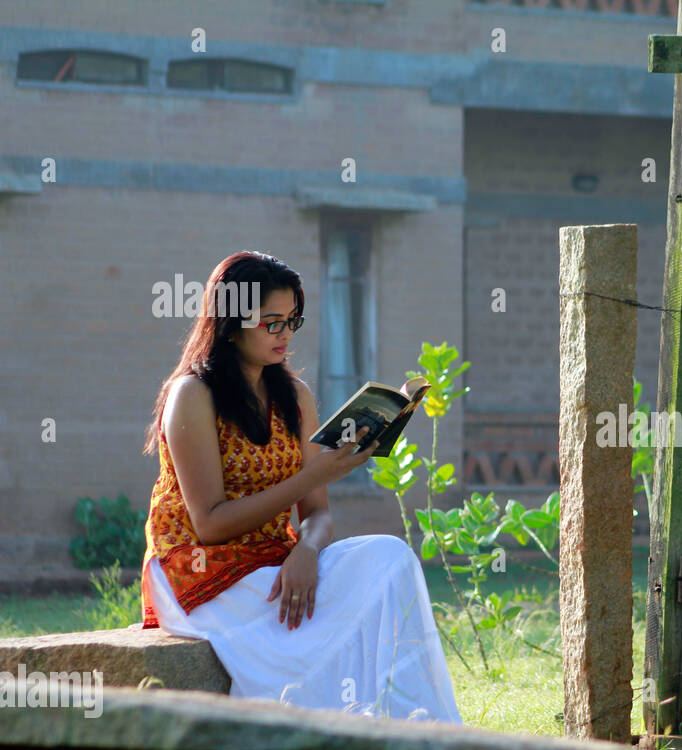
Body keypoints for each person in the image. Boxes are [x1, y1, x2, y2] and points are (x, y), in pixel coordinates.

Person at [139, 250, 461, 723]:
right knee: (303, 622)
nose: (285, 334)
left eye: (293, 320)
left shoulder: (294, 395)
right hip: (200, 570)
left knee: (390, 557)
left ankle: (418, 732)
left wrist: (307, 550)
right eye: (271, 322)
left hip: (277, 558)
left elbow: (318, 514)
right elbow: (208, 524)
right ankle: (329, 732)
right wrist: (314, 475)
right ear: (230, 322)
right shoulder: (192, 395)